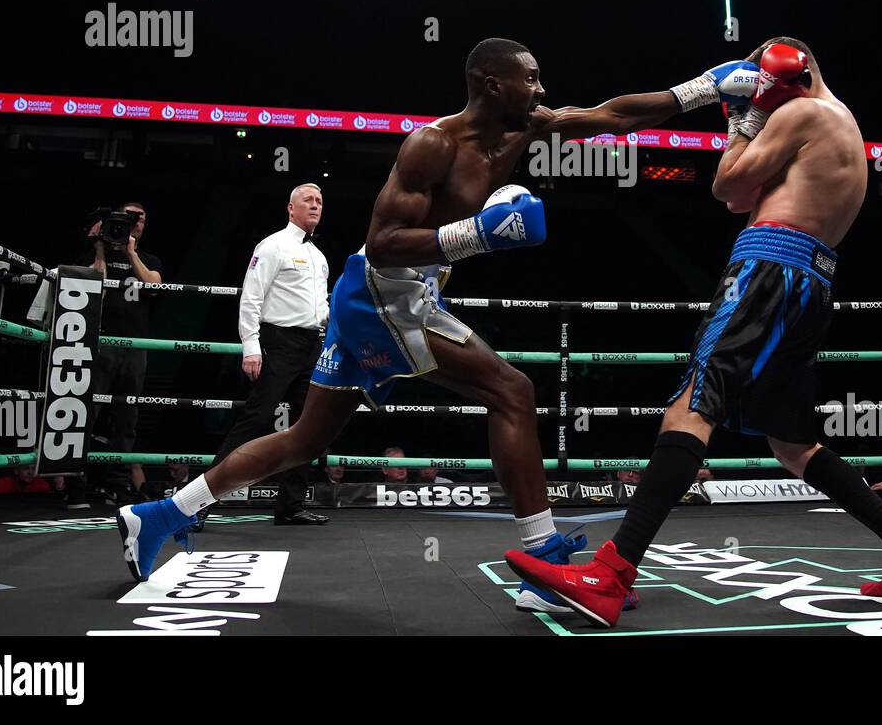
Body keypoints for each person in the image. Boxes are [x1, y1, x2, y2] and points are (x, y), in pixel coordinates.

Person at [118, 38, 741, 613]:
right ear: (490, 83)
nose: (543, 91)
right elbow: (385, 243)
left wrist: (708, 86)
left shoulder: (528, 126)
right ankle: (544, 565)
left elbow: (613, 115)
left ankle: (164, 511)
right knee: (513, 391)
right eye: (530, 79)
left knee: (306, 440)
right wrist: (480, 236)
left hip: (392, 294)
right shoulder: (432, 145)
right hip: (383, 293)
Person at [507, 38, 882, 626]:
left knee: (693, 403)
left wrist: (745, 122)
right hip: (811, 281)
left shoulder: (797, 113)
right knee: (792, 443)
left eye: (763, 84)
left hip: (767, 269)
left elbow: (729, 191)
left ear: (791, 75)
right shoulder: (843, 123)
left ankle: (609, 574)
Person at [196, 184, 331, 530]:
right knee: (253, 422)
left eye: (319, 201)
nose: (315, 205)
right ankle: (196, 503)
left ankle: (291, 505)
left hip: (312, 345)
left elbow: (318, 306)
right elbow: (251, 299)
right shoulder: (272, 246)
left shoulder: (318, 255)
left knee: (309, 426)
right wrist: (252, 347)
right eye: (308, 200)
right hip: (278, 344)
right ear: (290, 208)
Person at [78, 201, 162, 506]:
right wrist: (101, 248)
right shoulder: (98, 254)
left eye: (139, 218)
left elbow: (155, 287)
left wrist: (130, 252)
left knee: (127, 417)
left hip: (135, 346)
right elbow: (89, 285)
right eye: (127, 217)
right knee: (89, 411)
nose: (133, 222)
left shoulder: (149, 258)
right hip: (101, 342)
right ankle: (80, 482)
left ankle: (118, 483)